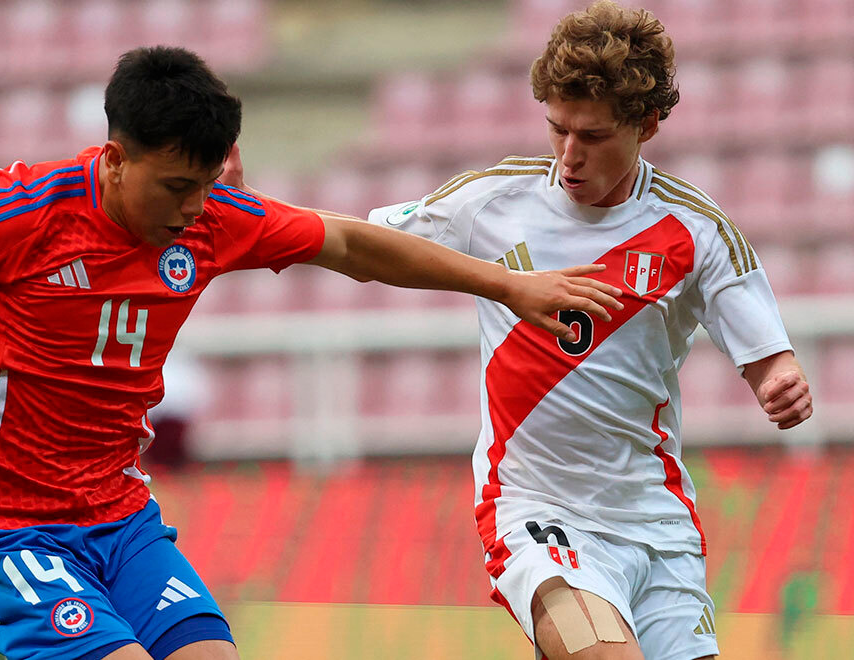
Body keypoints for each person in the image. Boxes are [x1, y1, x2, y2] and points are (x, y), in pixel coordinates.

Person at [0, 46, 621, 660]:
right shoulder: (18, 211)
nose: (194, 209)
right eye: (174, 186)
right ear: (114, 160)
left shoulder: (208, 218)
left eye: (205, 184)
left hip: (119, 517)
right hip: (0, 529)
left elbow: (348, 243)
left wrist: (506, 286)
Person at [344, 3, 810, 659]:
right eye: (558, 130)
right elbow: (356, 245)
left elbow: (770, 360)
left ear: (647, 124)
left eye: (591, 137)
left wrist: (781, 383)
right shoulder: (494, 200)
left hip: (658, 524)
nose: (568, 156)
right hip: (537, 508)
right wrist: (250, 212)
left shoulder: (696, 229)